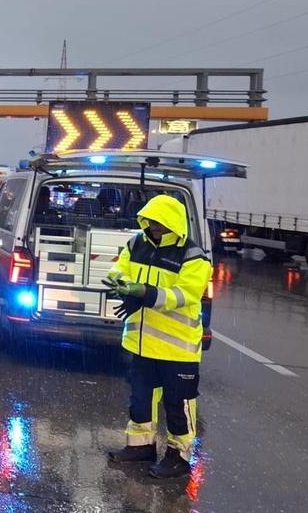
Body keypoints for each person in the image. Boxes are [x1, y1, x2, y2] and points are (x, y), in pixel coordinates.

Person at [103, 194, 212, 479]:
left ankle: (179, 457)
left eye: (160, 222)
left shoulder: (193, 256)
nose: (154, 226)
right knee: (140, 401)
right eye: (151, 220)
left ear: (173, 223)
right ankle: (141, 447)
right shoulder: (136, 244)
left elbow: (184, 295)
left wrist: (145, 293)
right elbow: (119, 269)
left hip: (177, 349)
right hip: (141, 343)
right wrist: (123, 285)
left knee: (178, 406)